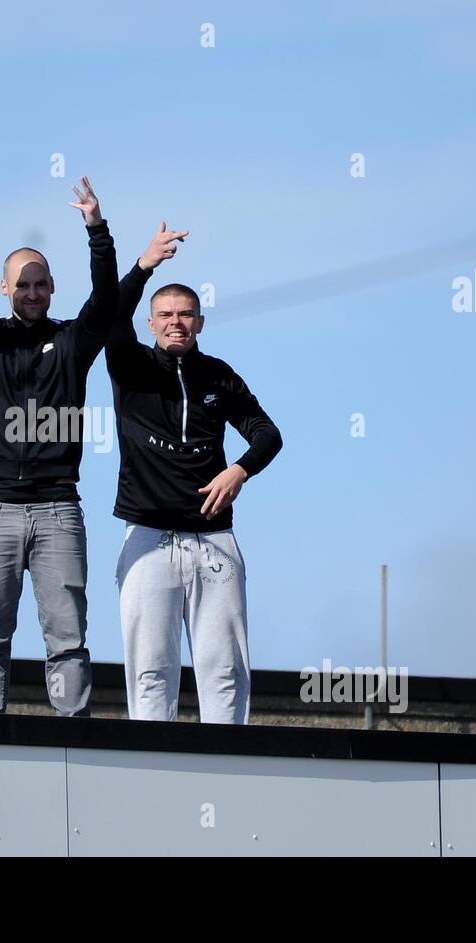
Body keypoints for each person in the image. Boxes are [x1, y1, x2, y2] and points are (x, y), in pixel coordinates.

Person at [0, 173, 120, 715]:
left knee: (67, 640)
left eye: (41, 284)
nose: (33, 292)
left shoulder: (72, 343)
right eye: (22, 284)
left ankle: (72, 742)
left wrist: (96, 228)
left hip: (59, 509)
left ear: (52, 288)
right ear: (5, 290)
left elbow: (108, 300)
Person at [107, 228, 283, 724]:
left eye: (185, 314)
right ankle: (150, 771)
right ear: (151, 322)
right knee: (150, 672)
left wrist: (239, 471)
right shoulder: (129, 363)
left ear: (201, 321)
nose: (176, 323)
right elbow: (110, 315)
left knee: (224, 668)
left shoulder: (219, 374)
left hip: (214, 541)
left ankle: (226, 772)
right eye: (166, 315)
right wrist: (144, 266)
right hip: (148, 537)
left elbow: (269, 434)